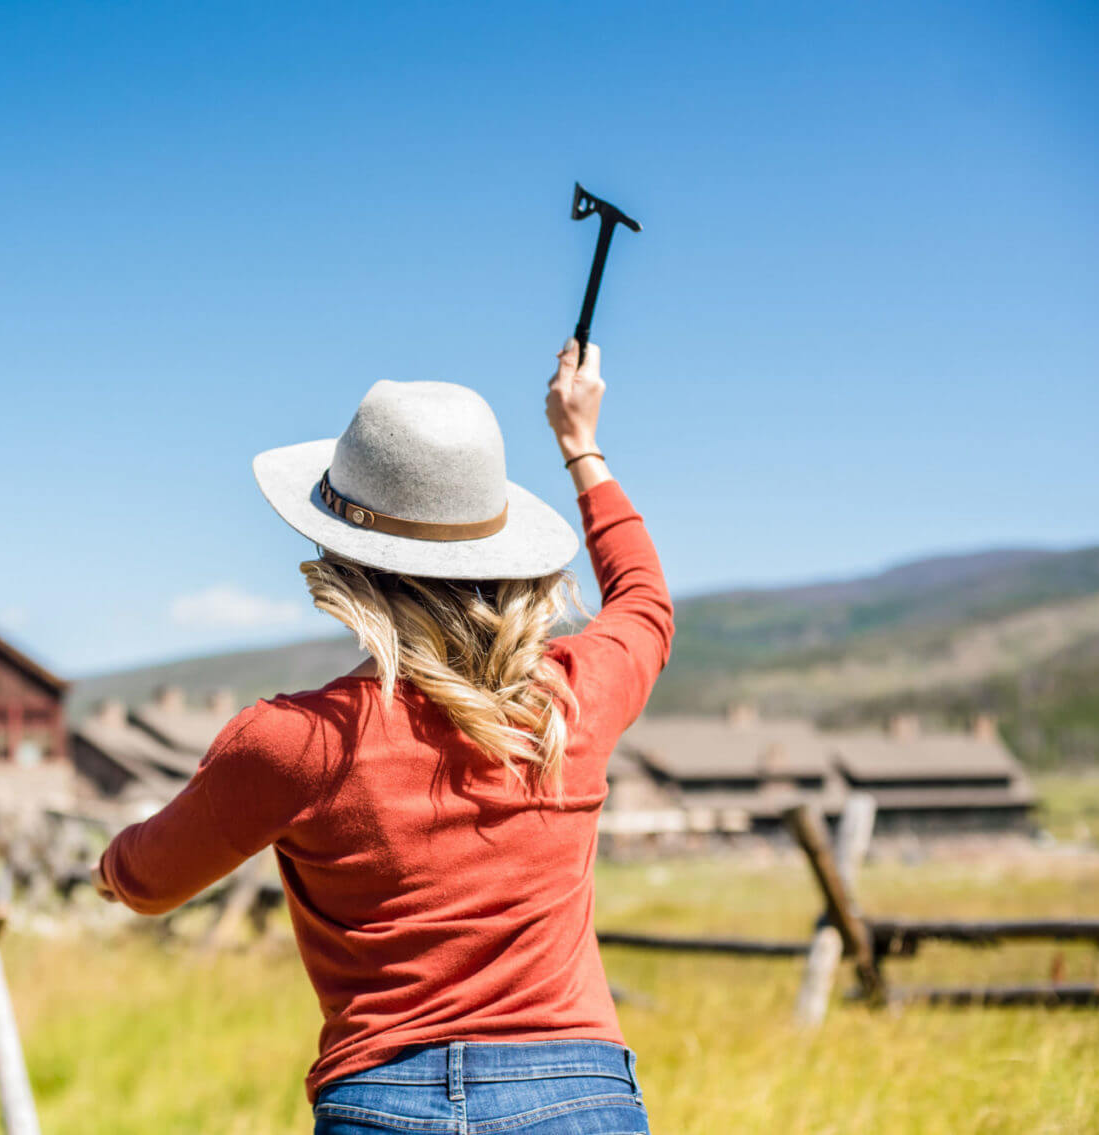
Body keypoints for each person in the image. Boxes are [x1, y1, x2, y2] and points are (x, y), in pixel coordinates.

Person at [95, 341, 673, 1134]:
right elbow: (644, 602)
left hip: (383, 1103)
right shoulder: (575, 698)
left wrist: (109, 869)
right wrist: (582, 445)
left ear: (344, 558)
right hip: (579, 1094)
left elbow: (151, 877)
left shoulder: (295, 740)